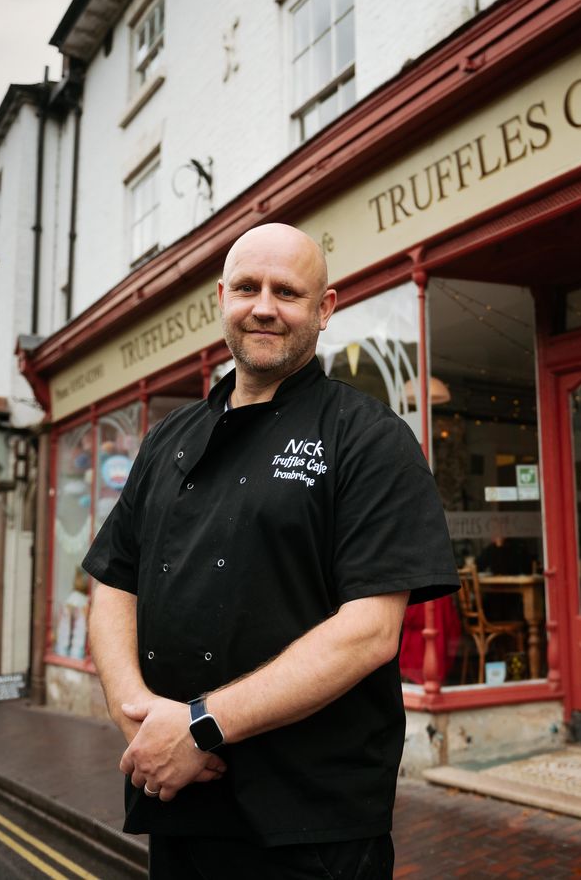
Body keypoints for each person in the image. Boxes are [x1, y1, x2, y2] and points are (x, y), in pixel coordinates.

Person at [83, 223, 457, 879]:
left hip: (311, 821)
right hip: (177, 797)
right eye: (248, 288)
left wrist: (199, 727)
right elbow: (113, 582)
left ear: (325, 308)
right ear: (221, 297)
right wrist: (139, 719)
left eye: (287, 291)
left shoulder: (368, 439)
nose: (264, 306)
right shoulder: (168, 439)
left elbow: (369, 632)